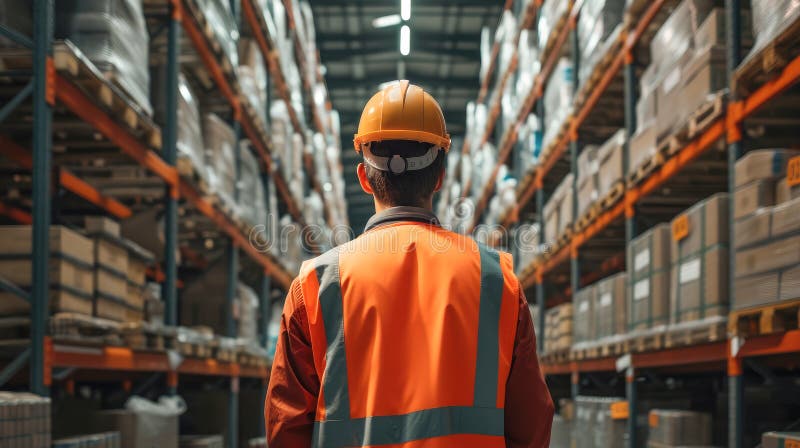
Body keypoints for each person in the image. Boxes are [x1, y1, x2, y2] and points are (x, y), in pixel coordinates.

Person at [266, 80, 553, 447]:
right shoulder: (497, 281)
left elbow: (285, 429)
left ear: (364, 179)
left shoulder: (315, 286)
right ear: (440, 177)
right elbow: (532, 424)